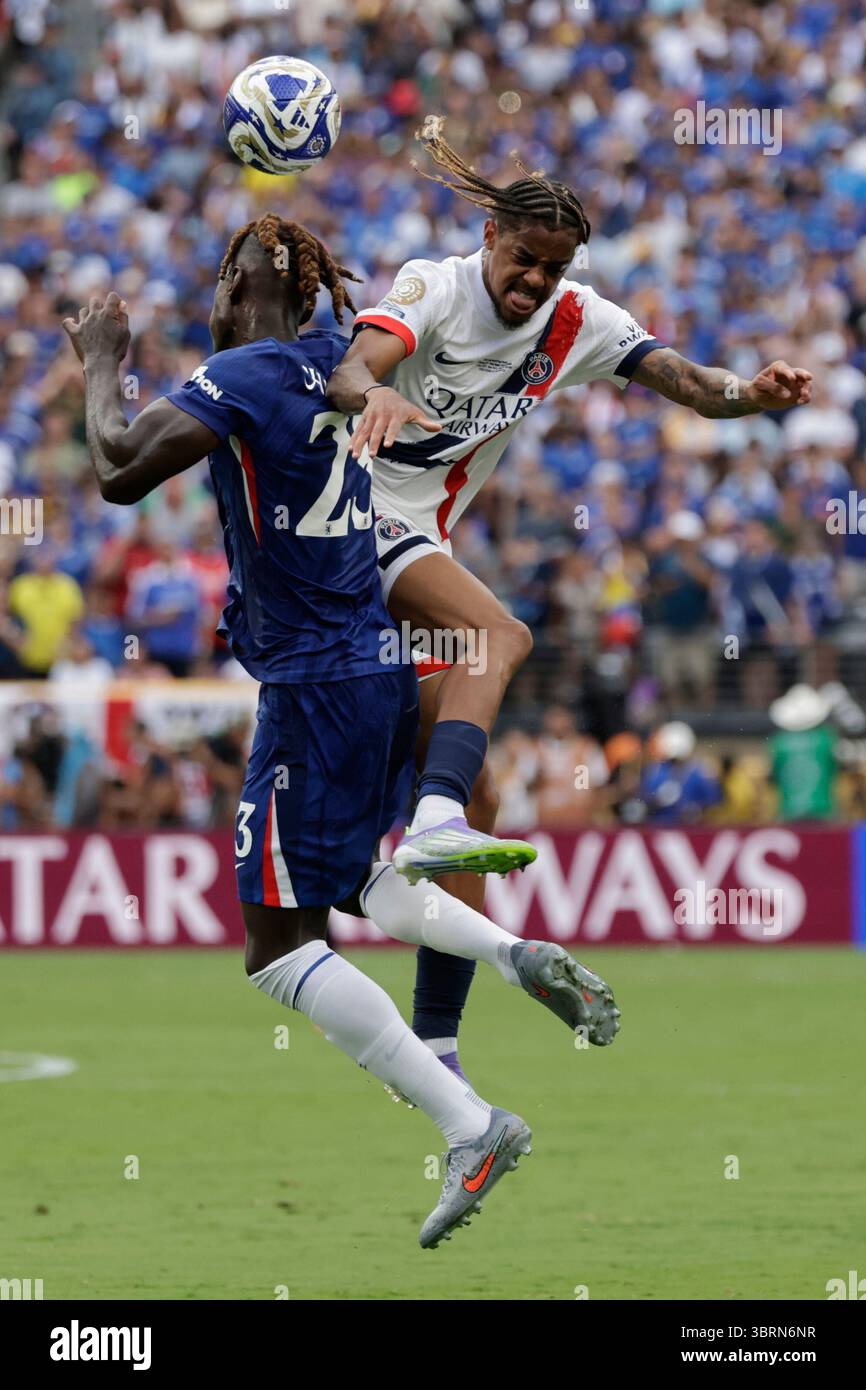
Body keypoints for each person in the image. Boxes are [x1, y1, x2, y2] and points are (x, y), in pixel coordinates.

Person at [61, 213, 620, 1249]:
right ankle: (506, 951)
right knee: (362, 883)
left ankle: (469, 1120)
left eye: (216, 283)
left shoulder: (244, 372)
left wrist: (103, 363)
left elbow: (118, 466)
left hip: (311, 687)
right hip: (372, 663)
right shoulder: (337, 354)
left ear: (236, 287)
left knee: (278, 946)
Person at [326, 114, 814, 1081]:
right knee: (497, 635)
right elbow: (353, 365)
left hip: (415, 537)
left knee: (488, 795)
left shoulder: (577, 321)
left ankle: (436, 1047)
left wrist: (748, 396)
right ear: (489, 241)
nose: (536, 280)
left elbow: (689, 381)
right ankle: (425, 823)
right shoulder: (435, 286)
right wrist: (367, 395)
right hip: (343, 521)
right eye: (524, 257)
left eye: (554, 265)